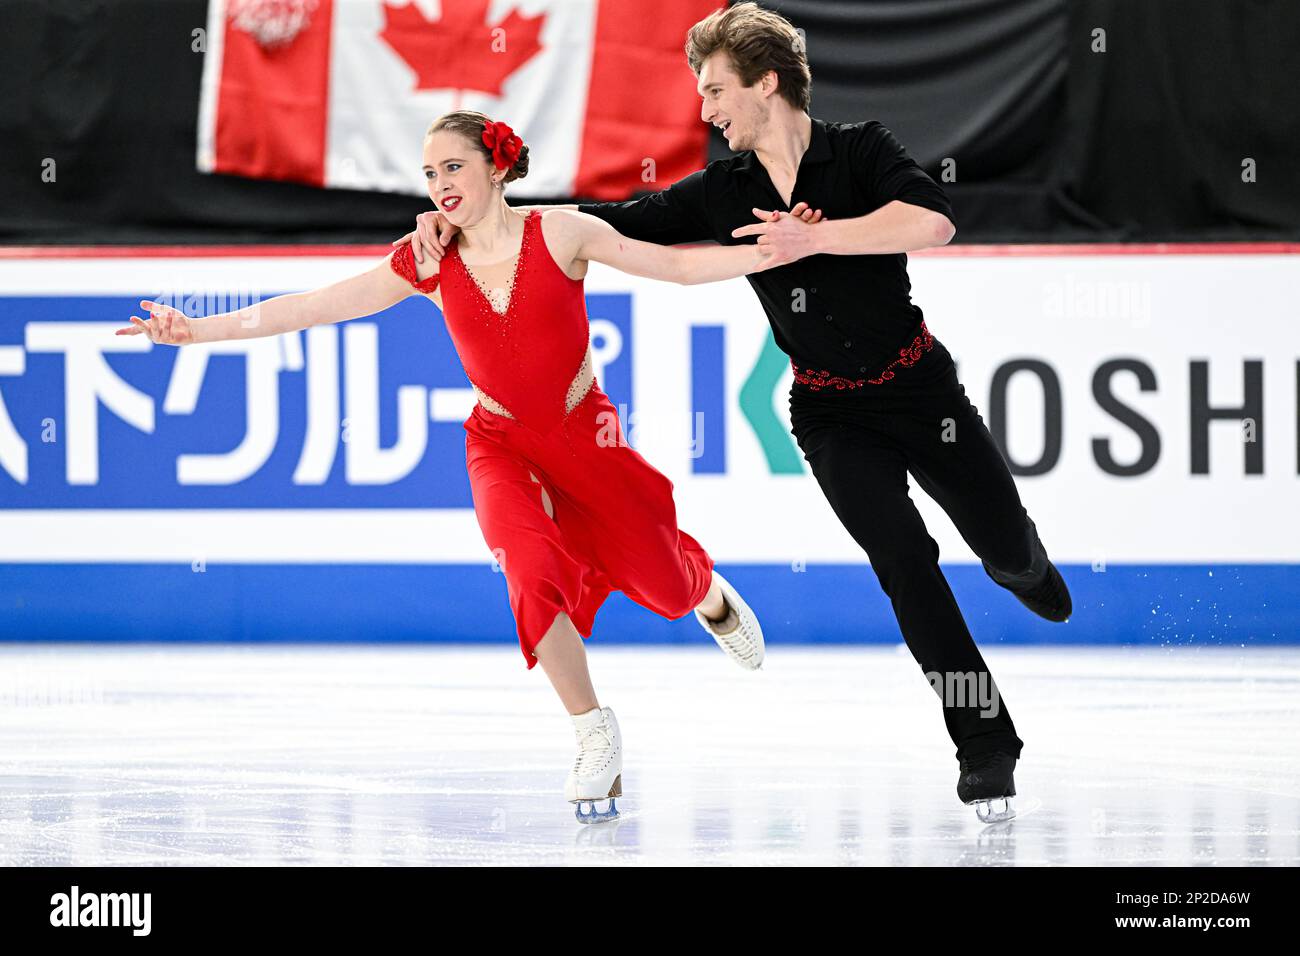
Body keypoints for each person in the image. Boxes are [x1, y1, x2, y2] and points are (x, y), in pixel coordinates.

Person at [397, 4, 1071, 824]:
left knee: (1003, 545)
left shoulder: (860, 151)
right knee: (904, 563)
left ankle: (1020, 562)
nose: (706, 110)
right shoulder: (725, 190)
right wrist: (462, 220)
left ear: (767, 83)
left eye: (716, 90)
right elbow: (597, 227)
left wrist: (812, 240)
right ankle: (985, 745)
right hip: (829, 412)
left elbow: (931, 221)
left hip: (921, 390)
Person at [117, 110, 807, 823]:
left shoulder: (562, 231)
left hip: (584, 436)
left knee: (660, 578)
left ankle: (707, 595)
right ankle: (592, 731)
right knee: (529, 572)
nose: (440, 185)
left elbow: (677, 265)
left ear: (497, 168)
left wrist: (777, 251)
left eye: (454, 167)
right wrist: (194, 332)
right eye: (429, 173)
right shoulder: (426, 261)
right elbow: (314, 308)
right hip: (499, 443)